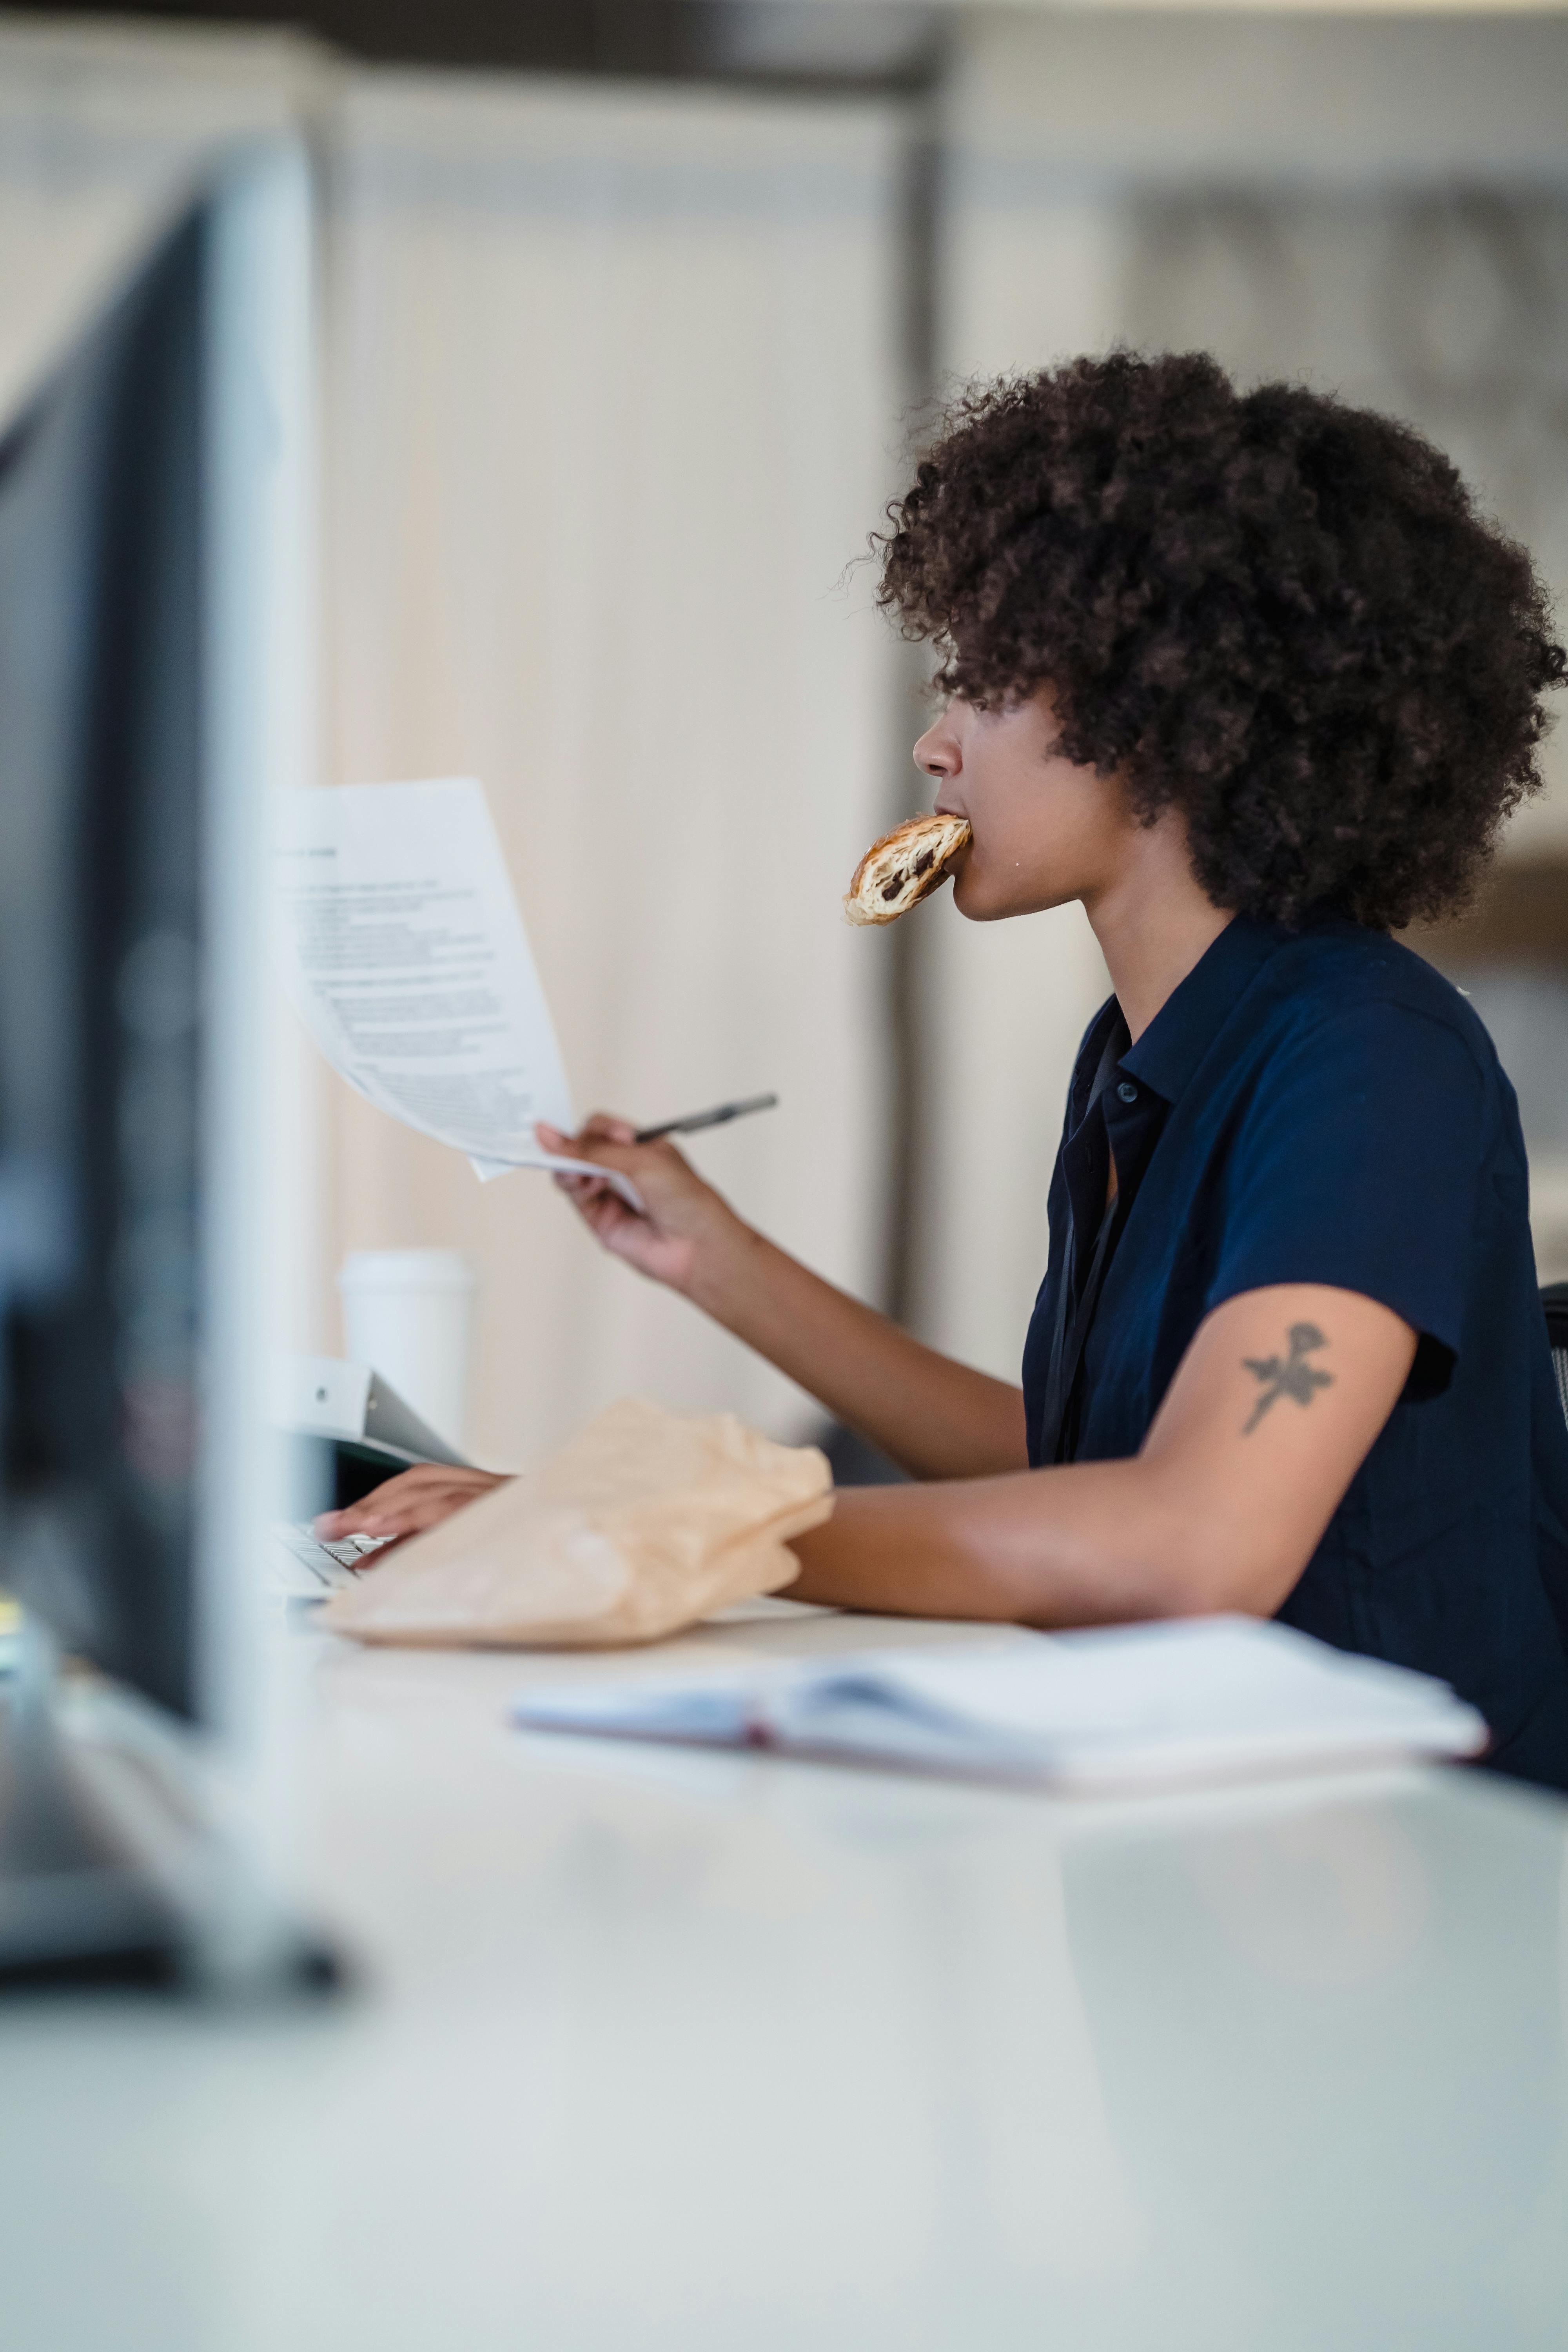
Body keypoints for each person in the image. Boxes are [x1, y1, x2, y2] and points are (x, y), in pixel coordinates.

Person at [320, 352, 1568, 1789]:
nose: (936, 743)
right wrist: (718, 1260)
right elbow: (1085, 1467)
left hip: (1430, 1847)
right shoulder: (1139, 1058)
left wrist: (638, 1529)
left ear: (1160, 712)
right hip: (1206, 1820)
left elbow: (1192, 1538)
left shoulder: (1368, 1054)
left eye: (983, 682)